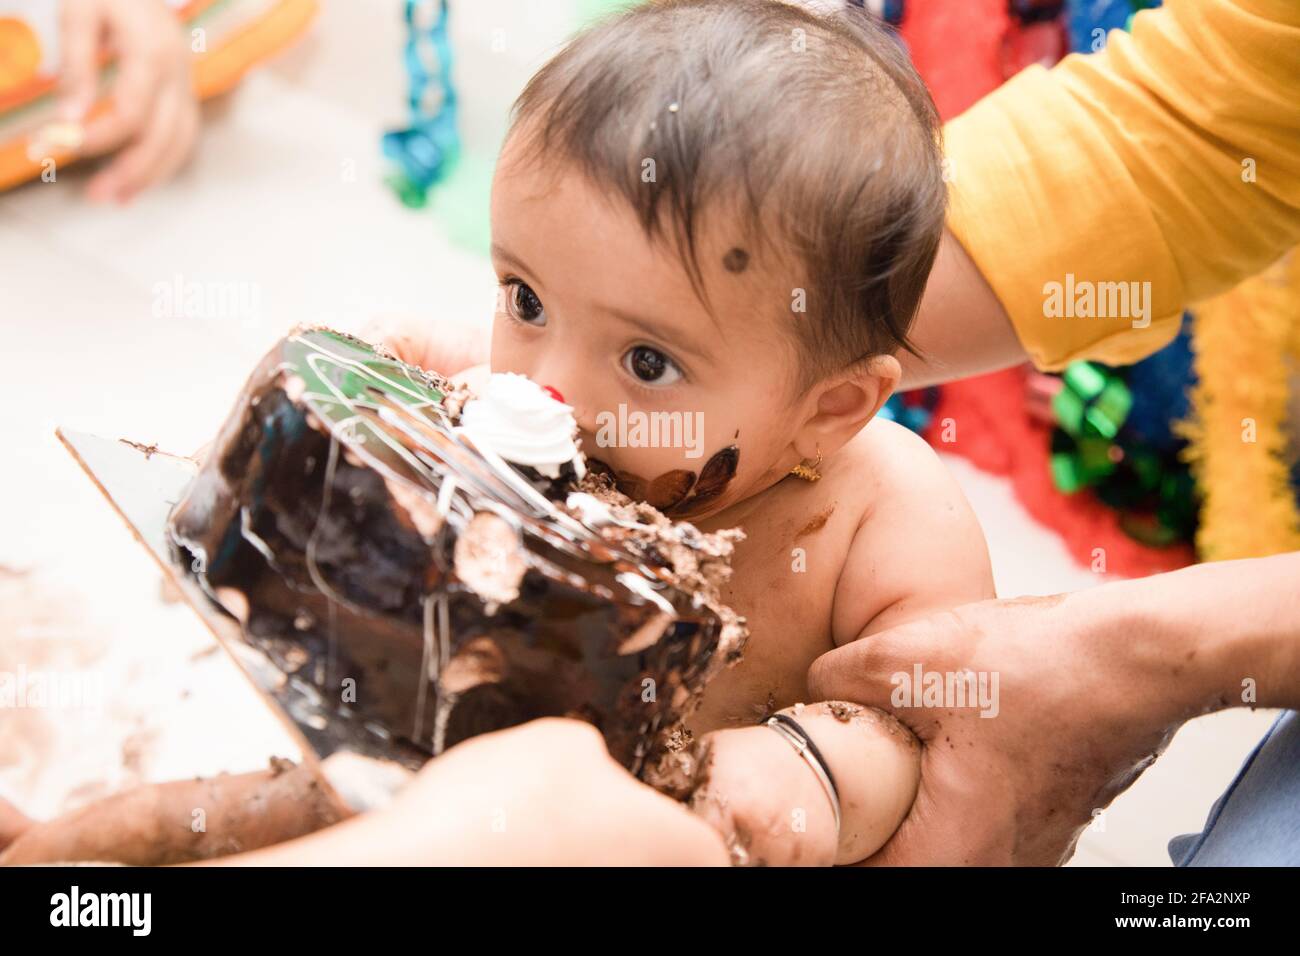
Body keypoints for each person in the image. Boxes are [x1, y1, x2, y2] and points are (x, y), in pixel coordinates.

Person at [5, 0, 984, 867]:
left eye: (647, 362)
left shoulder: (885, 518)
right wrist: (383, 384)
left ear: (831, 407)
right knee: (179, 823)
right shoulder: (542, 388)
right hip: (435, 775)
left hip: (662, 840)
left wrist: (787, 776)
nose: (546, 392)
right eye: (524, 297)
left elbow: (926, 723)